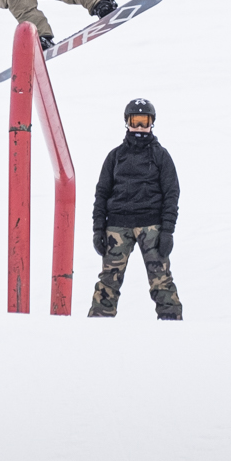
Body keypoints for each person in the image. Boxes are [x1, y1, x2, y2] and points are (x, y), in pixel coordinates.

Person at [90, 98, 182, 319]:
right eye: (135, 121)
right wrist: (98, 229)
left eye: (144, 121)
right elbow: (101, 193)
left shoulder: (160, 156)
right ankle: (96, 331)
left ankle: (173, 329)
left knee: (161, 280)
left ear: (152, 123)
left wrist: (167, 231)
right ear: (127, 122)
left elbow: (172, 193)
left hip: (151, 226)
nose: (140, 127)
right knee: (108, 283)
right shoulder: (115, 156)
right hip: (117, 227)